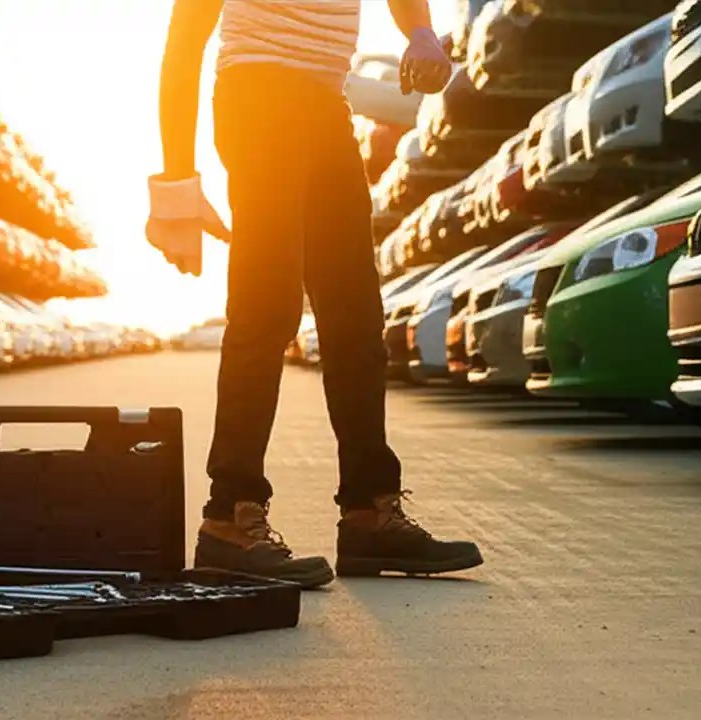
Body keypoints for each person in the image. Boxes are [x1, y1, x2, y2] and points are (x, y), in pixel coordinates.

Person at [147, 0, 483, 588]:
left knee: (355, 318)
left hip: (328, 106)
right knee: (267, 308)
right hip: (256, 92)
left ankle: (368, 513)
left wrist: (422, 32)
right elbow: (186, 34)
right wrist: (177, 186)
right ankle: (229, 516)